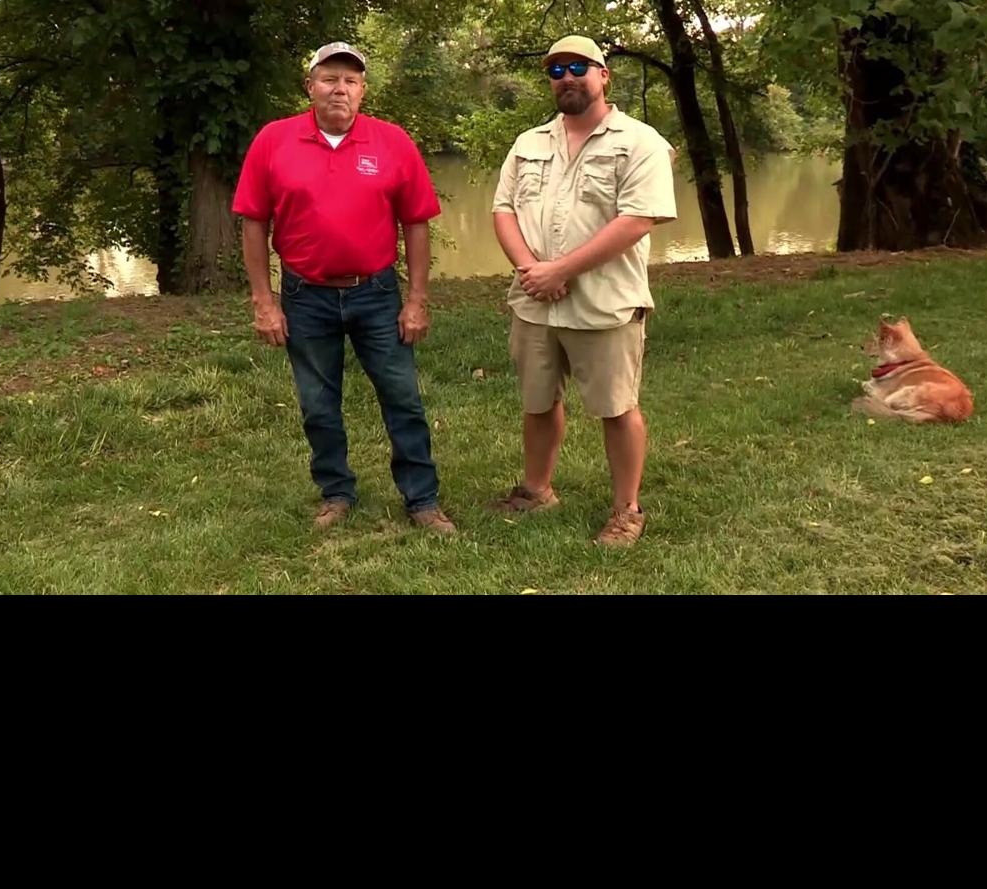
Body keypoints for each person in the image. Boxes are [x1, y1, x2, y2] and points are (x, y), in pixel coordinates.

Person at [232, 41, 455, 535]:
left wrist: (417, 299)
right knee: (317, 402)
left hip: (376, 294)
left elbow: (416, 222)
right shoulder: (274, 140)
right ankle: (336, 492)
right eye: (330, 78)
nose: (340, 88)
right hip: (304, 296)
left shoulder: (392, 142)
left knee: (402, 397)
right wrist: (263, 301)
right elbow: (253, 221)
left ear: (363, 91)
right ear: (310, 86)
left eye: (351, 81)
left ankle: (422, 499)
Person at [490, 35, 677, 546]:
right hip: (534, 301)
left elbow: (638, 220)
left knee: (617, 407)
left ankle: (626, 510)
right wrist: (532, 268)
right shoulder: (528, 143)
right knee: (537, 400)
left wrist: (562, 269)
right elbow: (503, 210)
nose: (567, 77)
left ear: (603, 74)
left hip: (605, 303)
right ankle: (536, 489)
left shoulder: (640, 142)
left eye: (578, 67)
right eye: (556, 70)